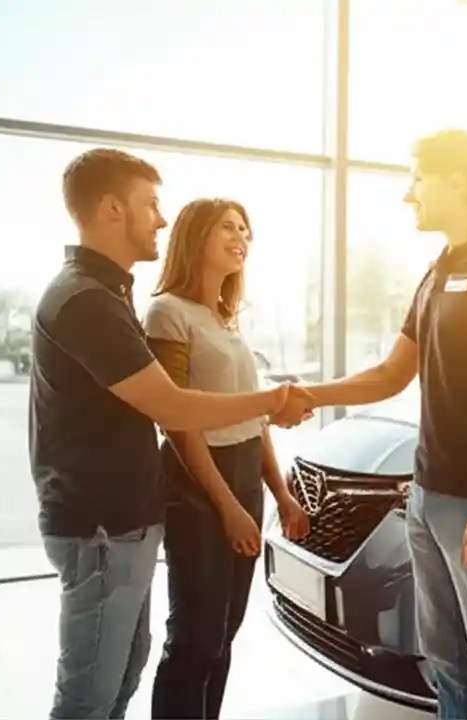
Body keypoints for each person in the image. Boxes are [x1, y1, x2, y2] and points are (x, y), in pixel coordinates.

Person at [29, 148, 312, 720]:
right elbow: (173, 409)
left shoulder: (106, 293)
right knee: (91, 696)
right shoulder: (87, 300)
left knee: (122, 675)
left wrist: (274, 482)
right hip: (101, 526)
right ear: (112, 209)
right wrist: (274, 400)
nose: (160, 217)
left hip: (123, 522)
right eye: (150, 204)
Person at [299, 129, 467, 719]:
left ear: (458, 181)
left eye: (417, 177)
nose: (408, 194)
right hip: (429, 496)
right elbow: (391, 374)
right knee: (448, 670)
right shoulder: (438, 268)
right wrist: (307, 392)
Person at [143, 197, 311, 719]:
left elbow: (254, 418)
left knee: (224, 634)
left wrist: (280, 494)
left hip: (243, 481)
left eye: (245, 228)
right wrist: (225, 507)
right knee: (194, 637)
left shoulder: (227, 319)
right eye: (227, 228)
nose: (240, 236)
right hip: (198, 488)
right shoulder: (168, 311)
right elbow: (176, 420)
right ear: (196, 237)